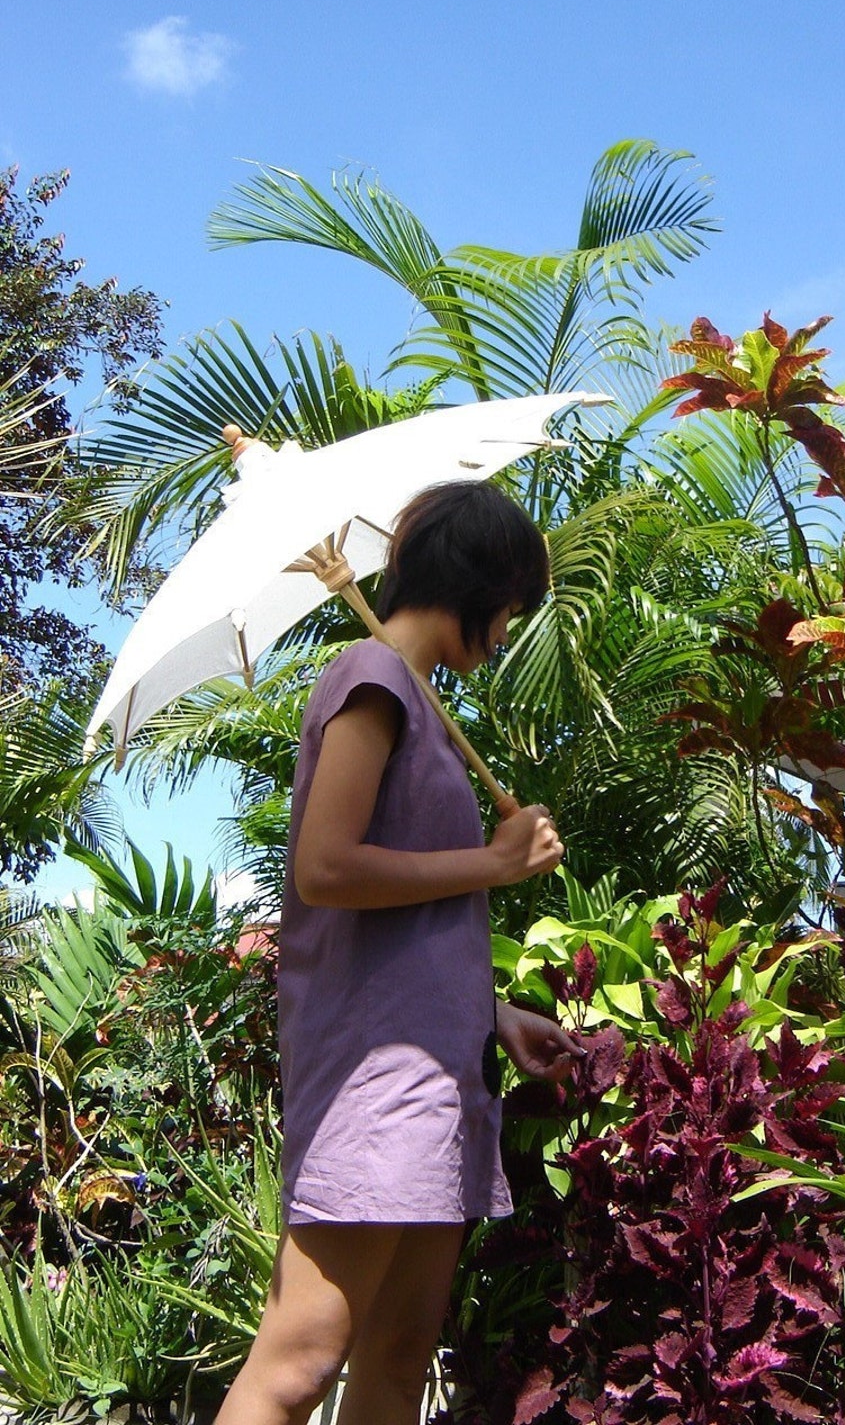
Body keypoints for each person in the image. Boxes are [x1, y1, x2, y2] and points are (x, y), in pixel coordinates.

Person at [214, 480, 583, 1425]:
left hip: (439, 1073)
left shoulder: (413, 703)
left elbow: (412, 923)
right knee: (300, 1360)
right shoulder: (370, 679)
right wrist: (496, 862)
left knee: (399, 1352)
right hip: (380, 1080)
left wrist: (493, 1015)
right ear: (480, 583)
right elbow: (326, 869)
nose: (506, 631)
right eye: (510, 606)